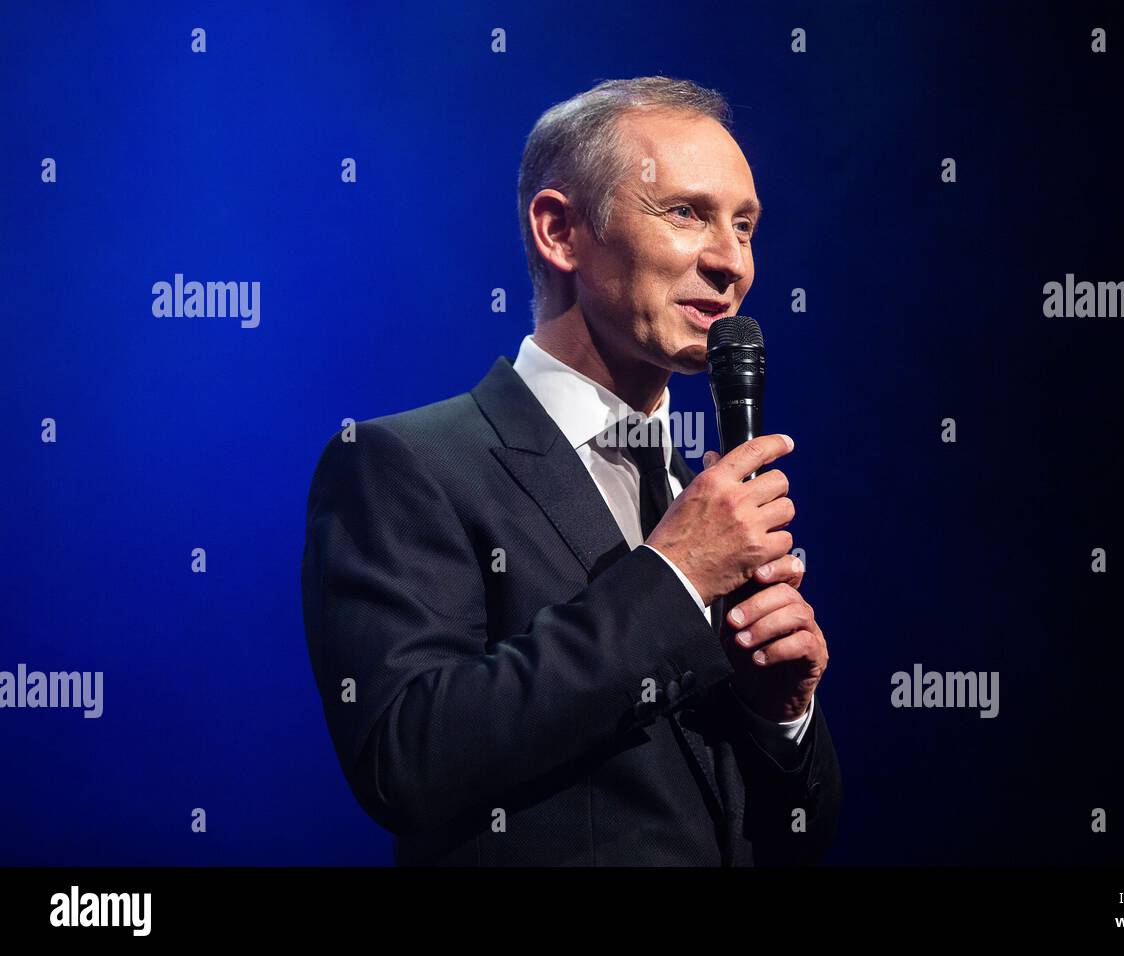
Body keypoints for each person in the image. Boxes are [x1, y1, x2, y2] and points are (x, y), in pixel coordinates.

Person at [301, 76, 841, 865]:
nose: (732, 263)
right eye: (687, 213)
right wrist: (675, 577)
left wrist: (780, 717)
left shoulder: (702, 498)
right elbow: (403, 758)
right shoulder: (405, 465)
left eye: (747, 226)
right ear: (559, 231)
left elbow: (788, 843)